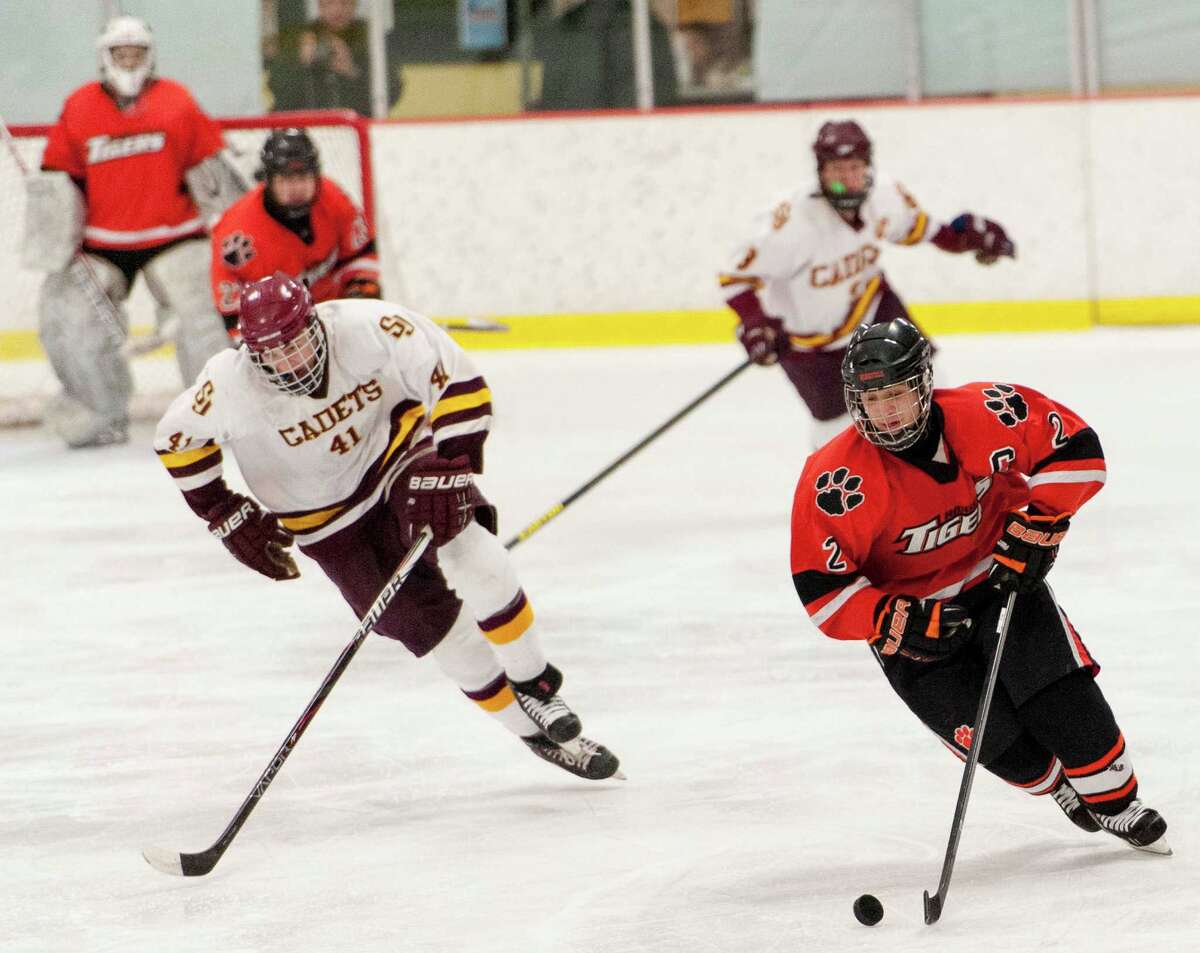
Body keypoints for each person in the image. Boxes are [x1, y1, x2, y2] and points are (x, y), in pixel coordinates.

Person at [153, 273, 621, 782]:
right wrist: (223, 510)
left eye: (297, 342)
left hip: (398, 459)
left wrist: (454, 459)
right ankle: (534, 734)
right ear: (251, 352)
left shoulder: (367, 325)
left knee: (469, 549)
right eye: (274, 354)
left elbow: (454, 377)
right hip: (326, 519)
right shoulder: (227, 383)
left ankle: (536, 685)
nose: (291, 361)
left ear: (316, 321)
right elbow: (177, 441)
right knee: (426, 625)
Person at [788, 317, 1169, 854]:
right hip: (915, 619)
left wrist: (1042, 523)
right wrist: (894, 619)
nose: (888, 411)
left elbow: (1078, 449)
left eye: (898, 393)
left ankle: (1118, 805)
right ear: (855, 401)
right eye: (874, 399)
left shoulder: (986, 411)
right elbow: (823, 593)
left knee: (1057, 695)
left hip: (1001, 579)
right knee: (1001, 745)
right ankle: (1058, 786)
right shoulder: (834, 482)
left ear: (923, 384)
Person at [719, 119, 1016, 449]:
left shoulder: (884, 196)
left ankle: (939, 474)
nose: (846, 178)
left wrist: (965, 239)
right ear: (820, 170)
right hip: (810, 344)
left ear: (868, 166)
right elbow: (734, 279)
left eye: (855, 167)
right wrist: (756, 325)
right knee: (837, 434)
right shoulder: (789, 223)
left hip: (872, 310)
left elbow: (924, 230)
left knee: (929, 385)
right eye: (836, 169)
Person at [27, 15, 243, 448]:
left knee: (204, 317)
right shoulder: (79, 105)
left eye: (137, 52)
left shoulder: (176, 101)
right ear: (104, 57)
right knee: (65, 316)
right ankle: (98, 412)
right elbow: (58, 178)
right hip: (102, 241)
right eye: (120, 53)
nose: (129, 60)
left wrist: (230, 224)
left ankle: (218, 412)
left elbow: (211, 167)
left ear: (150, 55)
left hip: (177, 234)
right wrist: (55, 238)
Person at [210, 127, 380, 334]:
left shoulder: (335, 200)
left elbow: (360, 256)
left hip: (336, 317)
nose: (296, 188)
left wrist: (359, 299)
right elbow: (233, 313)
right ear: (268, 181)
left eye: (303, 177)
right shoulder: (235, 233)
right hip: (279, 336)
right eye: (286, 179)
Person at [267, 0, 400, 116]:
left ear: (355, 5)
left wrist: (352, 71)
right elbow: (277, 91)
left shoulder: (372, 40)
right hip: (305, 127)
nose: (338, 9)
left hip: (355, 127)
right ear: (320, 5)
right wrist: (299, 64)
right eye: (330, 2)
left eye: (345, 2)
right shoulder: (296, 39)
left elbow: (392, 93)